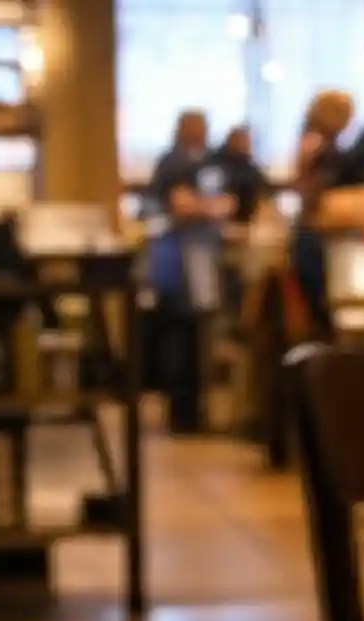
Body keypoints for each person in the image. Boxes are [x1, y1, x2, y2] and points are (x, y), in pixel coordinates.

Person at [146, 111, 233, 434]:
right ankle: (183, 414)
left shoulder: (204, 163)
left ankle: (194, 410)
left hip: (197, 260)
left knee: (195, 338)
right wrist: (212, 208)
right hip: (179, 264)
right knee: (180, 338)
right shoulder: (175, 164)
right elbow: (184, 206)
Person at [290, 91, 355, 336]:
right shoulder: (316, 145)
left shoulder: (311, 141)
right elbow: (308, 188)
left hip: (313, 231)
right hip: (316, 232)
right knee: (322, 304)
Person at [213, 125, 269, 223]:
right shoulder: (216, 163)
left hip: (247, 220)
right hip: (219, 219)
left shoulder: (249, 166)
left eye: (248, 141)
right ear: (231, 140)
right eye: (242, 140)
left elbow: (263, 190)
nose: (247, 145)